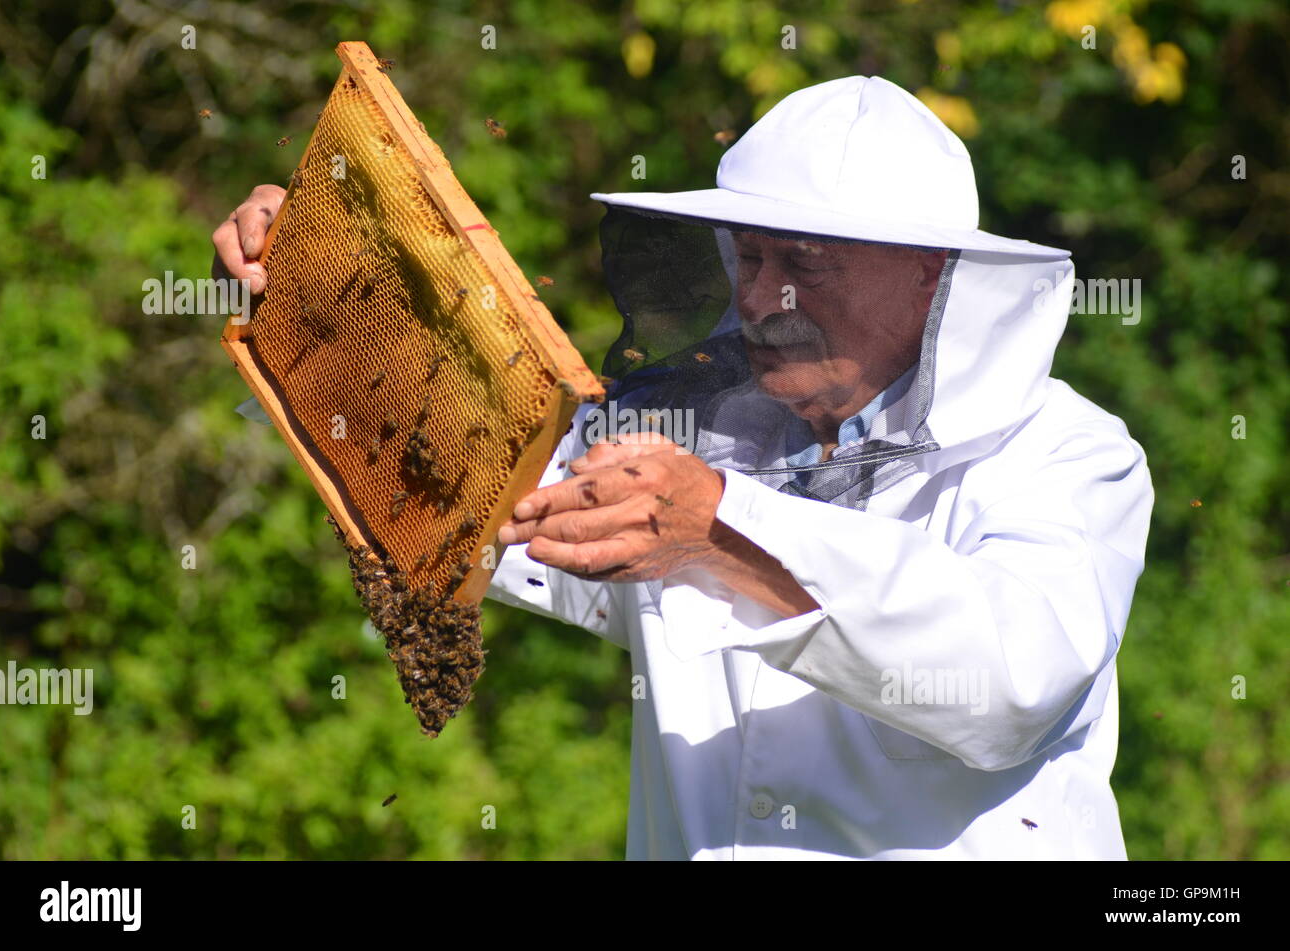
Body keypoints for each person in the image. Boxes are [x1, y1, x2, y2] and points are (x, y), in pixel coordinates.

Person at [214, 75, 1153, 860]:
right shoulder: (688, 439)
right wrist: (314, 286)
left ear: (930, 274)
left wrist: (721, 531)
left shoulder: (1068, 457)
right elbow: (452, 475)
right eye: (748, 254)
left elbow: (1008, 683)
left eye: (805, 262)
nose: (759, 296)